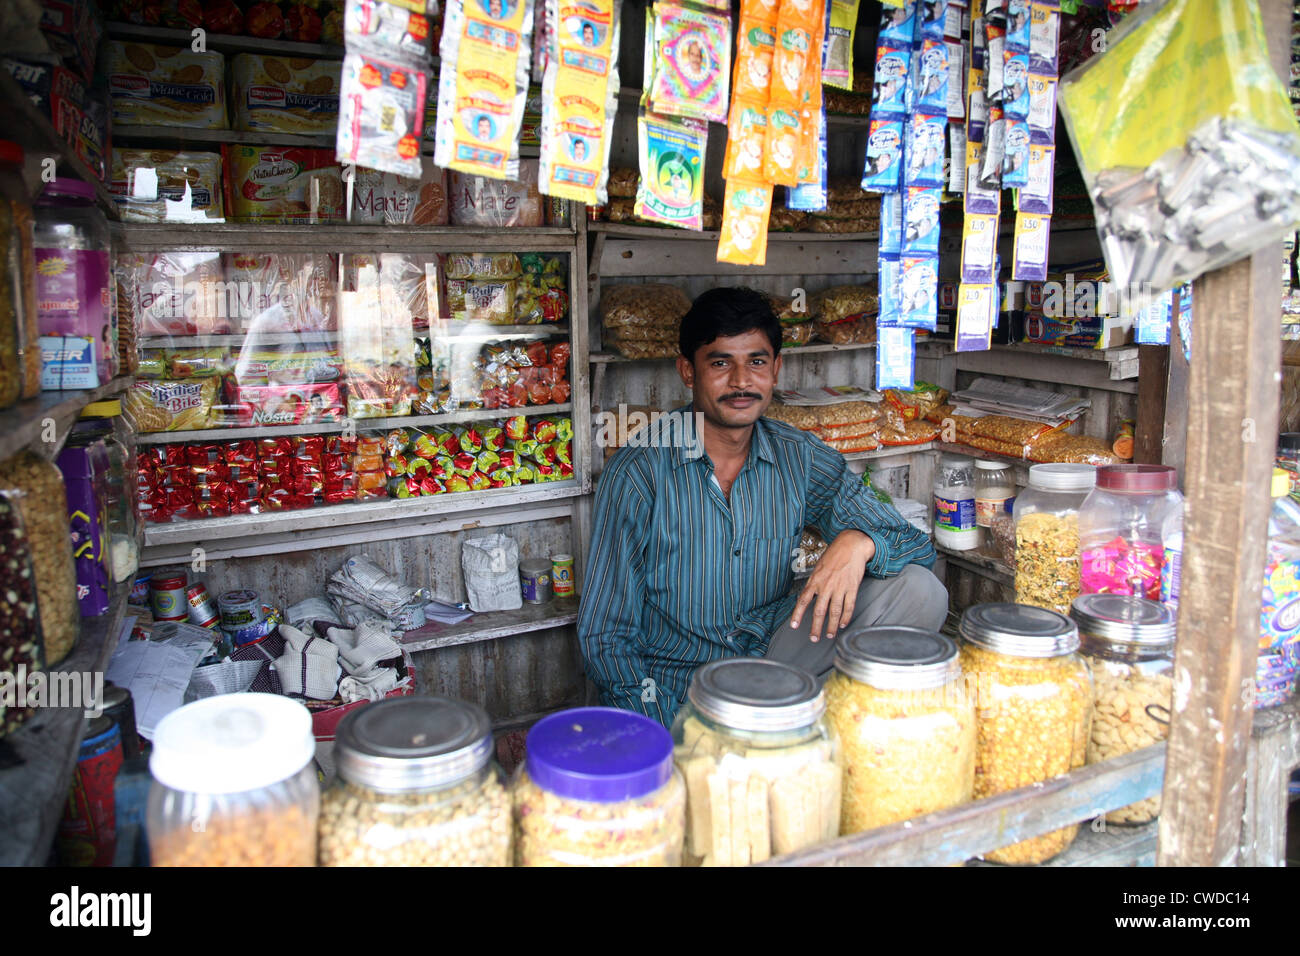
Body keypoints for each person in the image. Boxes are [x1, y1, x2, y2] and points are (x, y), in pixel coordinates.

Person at [579, 287, 947, 726]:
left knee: (920, 592)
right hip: (682, 686)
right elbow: (606, 632)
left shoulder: (799, 456)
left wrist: (858, 542)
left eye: (756, 362)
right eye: (720, 363)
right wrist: (655, 732)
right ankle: (751, 732)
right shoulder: (640, 472)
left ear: (775, 369)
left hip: (772, 652)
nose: (741, 381)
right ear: (687, 372)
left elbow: (917, 548)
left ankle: (822, 728)